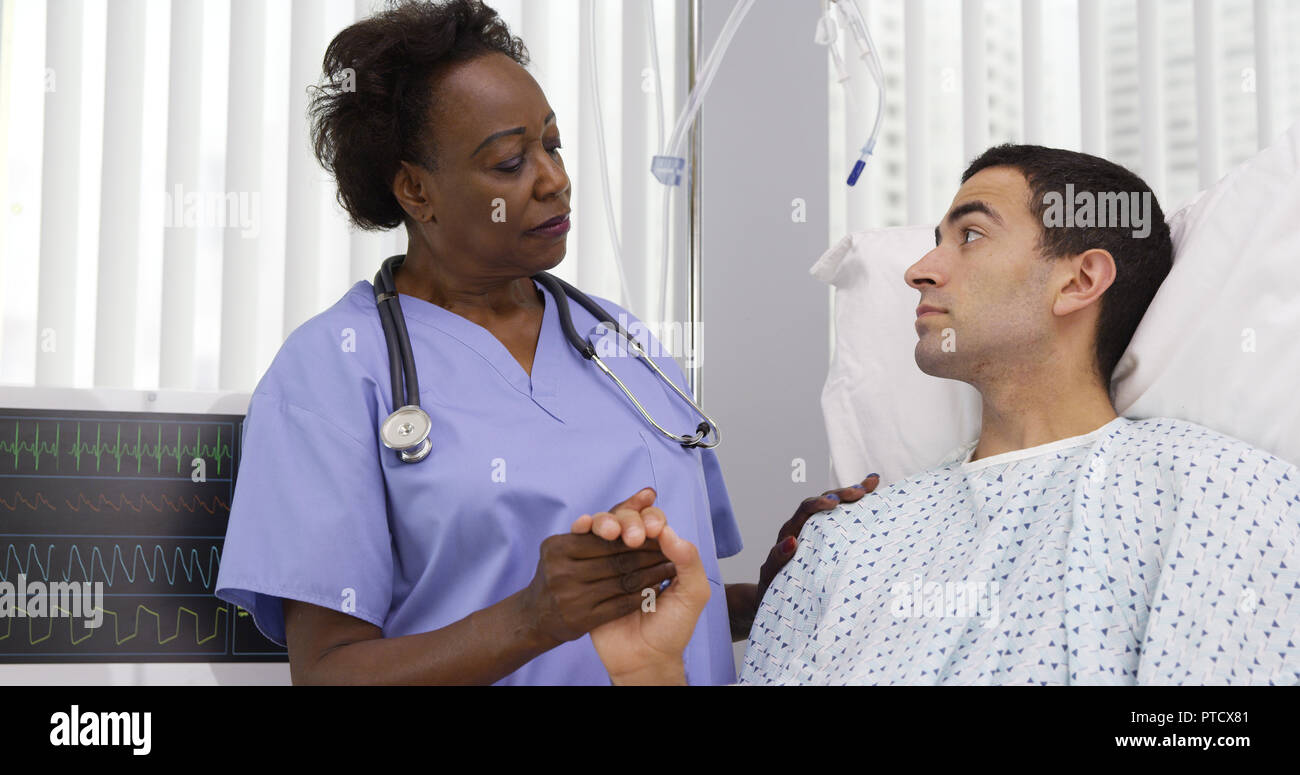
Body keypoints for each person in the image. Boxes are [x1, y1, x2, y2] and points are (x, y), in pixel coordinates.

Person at [213, 0, 877, 686]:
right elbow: (328, 673)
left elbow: (655, 603)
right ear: (416, 189)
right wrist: (529, 619)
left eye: (552, 145)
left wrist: (781, 591)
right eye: (508, 162)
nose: (554, 179)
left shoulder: (622, 344)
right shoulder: (334, 369)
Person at [581, 145, 1300, 685]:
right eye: (933, 239)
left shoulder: (1220, 496)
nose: (919, 269)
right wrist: (652, 672)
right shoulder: (842, 546)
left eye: (971, 235)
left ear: (1080, 279)